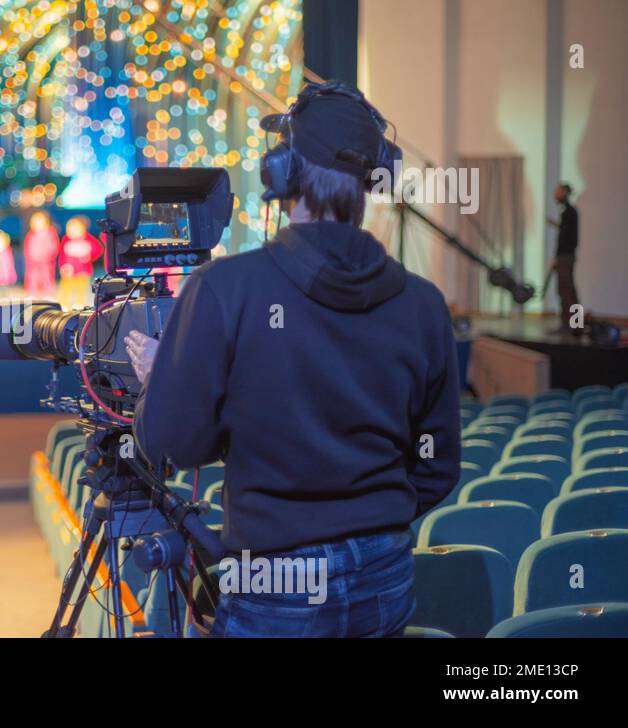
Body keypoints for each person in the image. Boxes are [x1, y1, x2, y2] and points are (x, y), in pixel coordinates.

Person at [127, 82, 460, 637]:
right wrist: (366, 519)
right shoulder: (424, 304)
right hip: (387, 574)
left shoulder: (225, 288)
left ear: (282, 173)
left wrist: (162, 375)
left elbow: (174, 446)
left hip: (278, 589)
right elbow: (438, 466)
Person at [547, 183, 580, 334]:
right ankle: (576, 324)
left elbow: (566, 239)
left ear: (565, 193)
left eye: (558, 191)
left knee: (565, 291)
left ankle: (569, 325)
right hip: (567, 256)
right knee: (570, 291)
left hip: (565, 257)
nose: (555, 194)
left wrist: (557, 258)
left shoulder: (568, 213)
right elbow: (568, 234)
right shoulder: (569, 213)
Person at [57, 216, 104, 309]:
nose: (72, 231)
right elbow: (62, 254)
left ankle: (79, 304)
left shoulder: (88, 239)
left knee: (81, 288)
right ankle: (64, 304)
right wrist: (62, 266)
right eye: (69, 228)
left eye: (76, 228)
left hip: (83, 270)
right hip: (69, 270)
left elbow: (99, 249)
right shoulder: (66, 239)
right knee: (66, 287)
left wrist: (90, 256)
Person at [22, 210, 59, 300]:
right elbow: (27, 247)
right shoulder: (31, 235)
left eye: (40, 223)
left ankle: (48, 294)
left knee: (47, 277)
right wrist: (29, 257)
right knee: (32, 278)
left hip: (45, 262)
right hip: (33, 262)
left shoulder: (50, 234)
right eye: (35, 223)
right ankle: (32, 293)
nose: (37, 225)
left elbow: (53, 246)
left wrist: (47, 256)